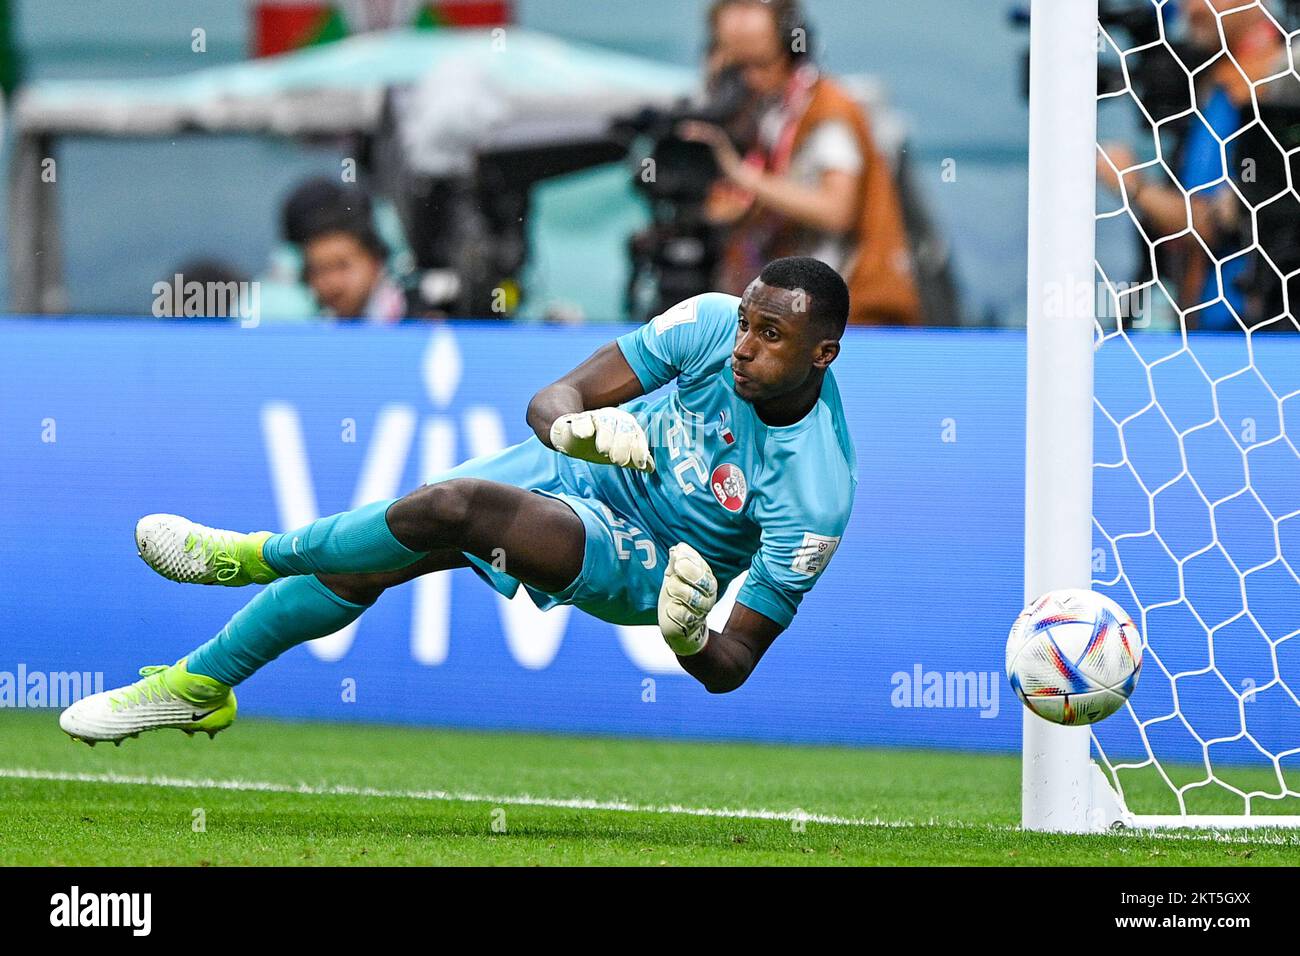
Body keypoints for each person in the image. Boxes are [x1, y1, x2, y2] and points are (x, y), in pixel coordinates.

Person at [58, 257, 858, 742]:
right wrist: (574, 430)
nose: (745, 348)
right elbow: (558, 394)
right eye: (748, 324)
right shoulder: (713, 325)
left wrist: (685, 639)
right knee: (384, 551)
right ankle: (196, 688)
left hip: (645, 565)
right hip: (578, 475)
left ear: (823, 353)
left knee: (452, 507)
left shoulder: (816, 490)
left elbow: (736, 664)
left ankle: (245, 557)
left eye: (772, 337)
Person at [680, 0, 920, 325]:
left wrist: (742, 176)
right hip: (793, 313)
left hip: (853, 314)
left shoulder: (827, 110)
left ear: (792, 46)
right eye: (738, 65)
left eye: (759, 63)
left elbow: (836, 211)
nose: (749, 78)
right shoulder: (764, 117)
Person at [1097, 0, 1295, 331]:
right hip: (1205, 330)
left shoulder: (1274, 95)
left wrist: (1133, 184)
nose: (1191, 9)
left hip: (1257, 331)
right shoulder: (1211, 82)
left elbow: (1217, 223)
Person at [302, 216, 408, 323]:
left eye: (342, 266)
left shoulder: (420, 319)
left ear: (375, 262)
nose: (333, 282)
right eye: (319, 270)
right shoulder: (317, 328)